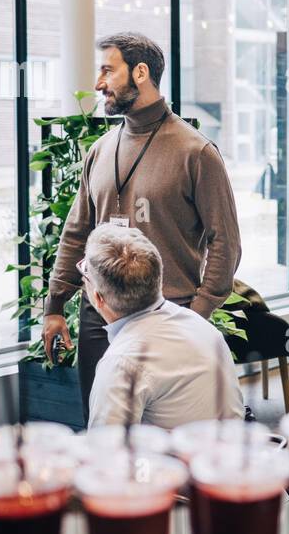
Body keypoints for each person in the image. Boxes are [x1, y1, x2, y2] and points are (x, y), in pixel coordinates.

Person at [42, 32, 242, 421]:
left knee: (163, 439)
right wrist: (54, 306)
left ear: (141, 73)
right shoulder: (100, 149)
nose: (99, 84)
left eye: (107, 71)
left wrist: (194, 316)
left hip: (168, 315)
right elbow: (76, 233)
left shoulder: (195, 152)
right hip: (99, 318)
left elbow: (226, 244)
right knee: (103, 435)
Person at [82, 225, 243, 428]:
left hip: (178, 458)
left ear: (98, 298)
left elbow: (106, 453)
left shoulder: (122, 362)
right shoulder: (203, 328)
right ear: (158, 279)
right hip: (231, 452)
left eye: (85, 271)